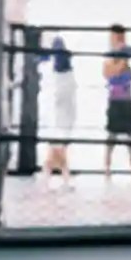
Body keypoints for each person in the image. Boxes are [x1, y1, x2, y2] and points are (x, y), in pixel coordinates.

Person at [103, 24, 131, 179]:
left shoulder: (127, 59)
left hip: (127, 102)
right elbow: (109, 73)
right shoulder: (110, 58)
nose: (119, 41)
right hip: (114, 102)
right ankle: (107, 169)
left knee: (130, 139)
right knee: (111, 139)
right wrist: (123, 58)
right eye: (116, 38)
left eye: (121, 37)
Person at [40, 36, 76, 189]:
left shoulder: (60, 78)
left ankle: (50, 180)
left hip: (61, 115)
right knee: (57, 149)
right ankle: (59, 179)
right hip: (60, 116)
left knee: (56, 150)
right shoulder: (62, 78)